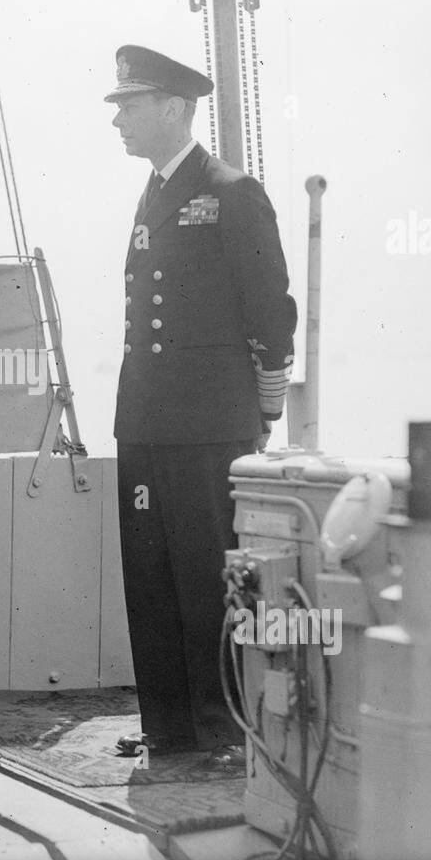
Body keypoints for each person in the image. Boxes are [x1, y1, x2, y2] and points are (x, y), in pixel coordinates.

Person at [105, 44, 297, 757]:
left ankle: (220, 728)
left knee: (205, 573)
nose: (118, 118)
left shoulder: (232, 191)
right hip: (149, 420)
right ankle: (169, 725)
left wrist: (266, 403)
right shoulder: (157, 190)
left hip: (210, 421)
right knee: (150, 574)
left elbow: (269, 310)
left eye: (130, 104)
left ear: (176, 109)